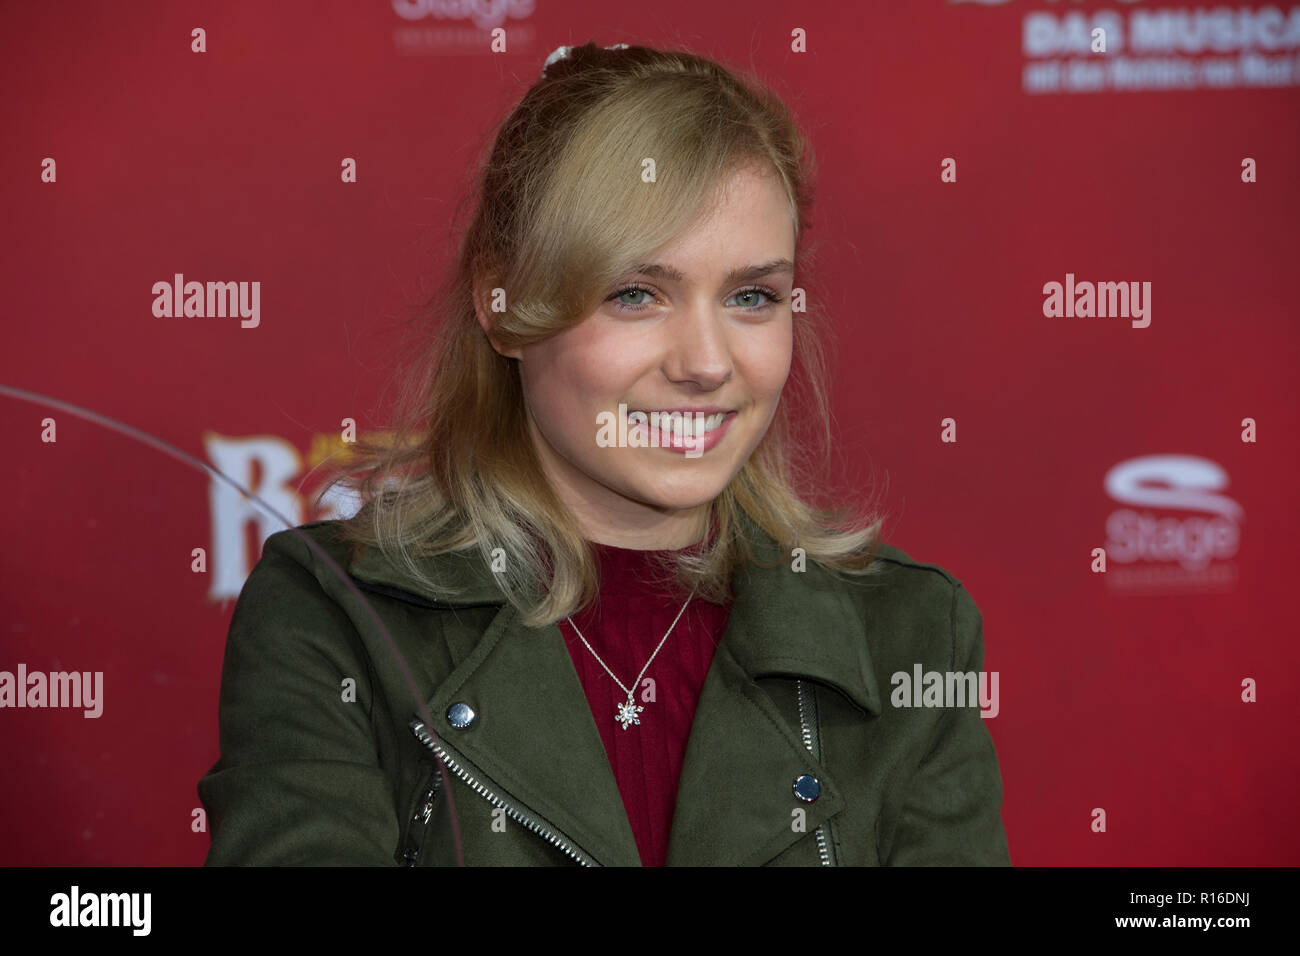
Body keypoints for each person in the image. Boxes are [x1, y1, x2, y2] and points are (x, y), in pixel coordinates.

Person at [196, 40, 1011, 867]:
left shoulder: (911, 637)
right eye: (635, 294)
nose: (706, 362)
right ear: (503, 305)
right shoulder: (337, 615)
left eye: (751, 297)